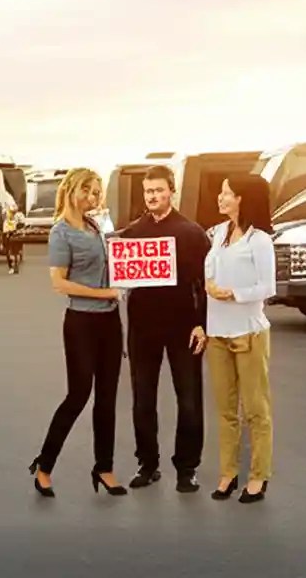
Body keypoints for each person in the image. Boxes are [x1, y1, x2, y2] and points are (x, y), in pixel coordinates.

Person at [29, 168, 127, 498]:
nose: (94, 197)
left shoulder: (96, 225)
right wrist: (107, 294)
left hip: (111, 323)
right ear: (72, 190)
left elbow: (113, 263)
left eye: (98, 192)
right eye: (89, 191)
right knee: (79, 394)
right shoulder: (61, 232)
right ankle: (44, 466)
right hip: (81, 323)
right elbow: (59, 284)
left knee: (108, 398)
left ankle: (105, 468)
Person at [114, 164, 210, 493]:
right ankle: (148, 464)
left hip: (184, 328)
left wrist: (202, 324)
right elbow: (122, 286)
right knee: (143, 400)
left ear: (172, 191)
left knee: (189, 400)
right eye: (148, 191)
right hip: (142, 329)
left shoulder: (192, 233)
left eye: (159, 190)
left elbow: (204, 284)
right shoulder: (131, 234)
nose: (153, 196)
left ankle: (187, 468)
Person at [201, 174, 275, 504]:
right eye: (222, 191)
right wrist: (208, 286)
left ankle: (258, 475)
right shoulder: (217, 234)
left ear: (244, 198)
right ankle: (228, 472)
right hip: (217, 332)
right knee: (225, 410)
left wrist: (234, 294)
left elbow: (268, 287)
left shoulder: (259, 240)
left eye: (227, 192)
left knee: (256, 410)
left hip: (249, 332)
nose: (221, 197)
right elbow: (207, 273)